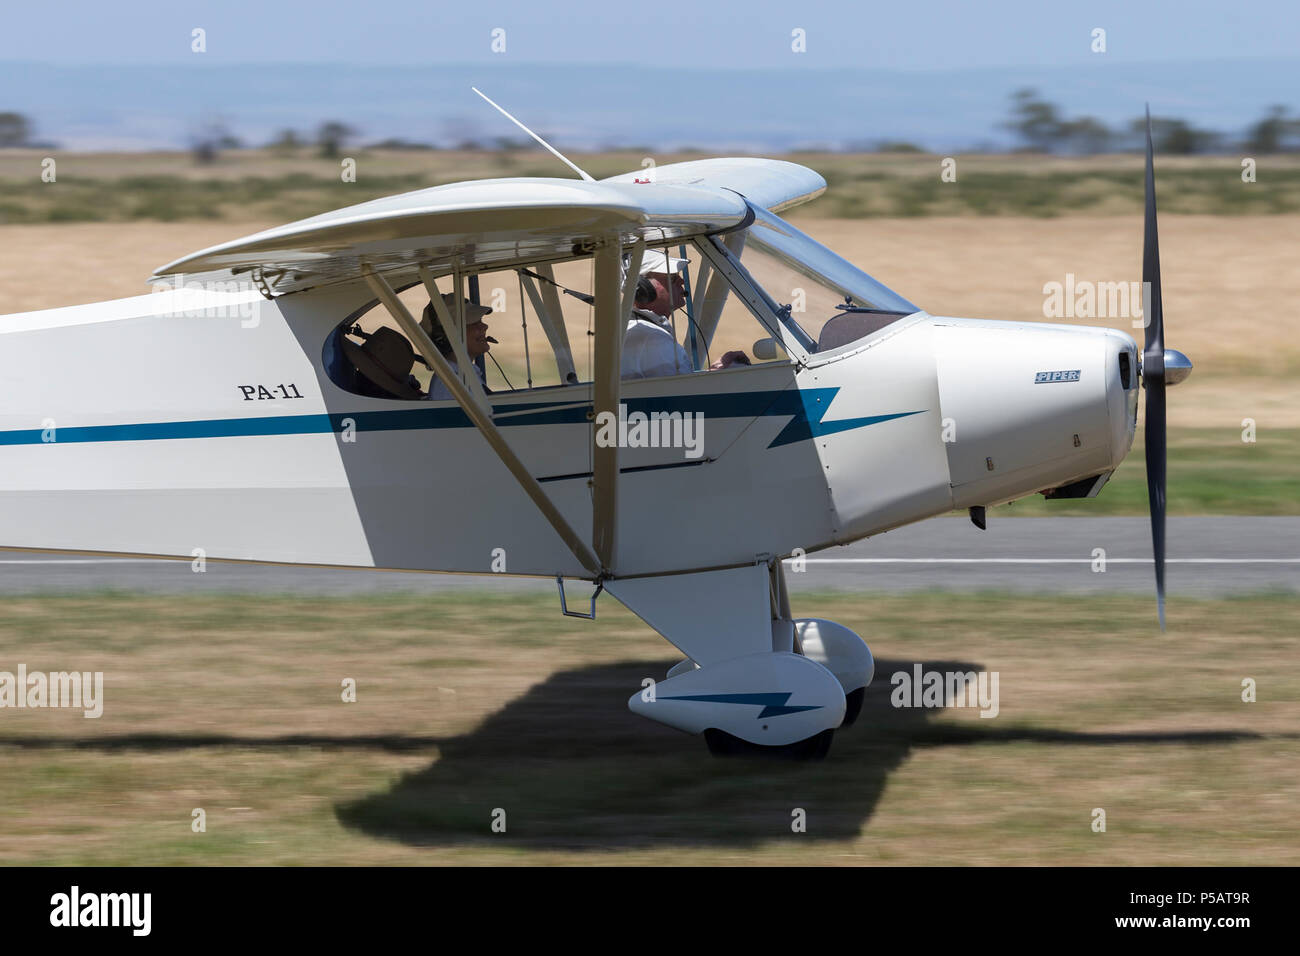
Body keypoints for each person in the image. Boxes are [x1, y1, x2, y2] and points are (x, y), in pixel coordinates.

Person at [621, 250, 748, 379]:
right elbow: (685, 396)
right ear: (644, 289)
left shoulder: (640, 332)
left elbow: (678, 388)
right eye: (672, 278)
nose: (681, 281)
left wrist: (718, 368)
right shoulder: (653, 340)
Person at [423, 293, 495, 401]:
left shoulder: (464, 374)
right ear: (445, 336)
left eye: (480, 321)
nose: (485, 326)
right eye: (474, 323)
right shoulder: (449, 385)